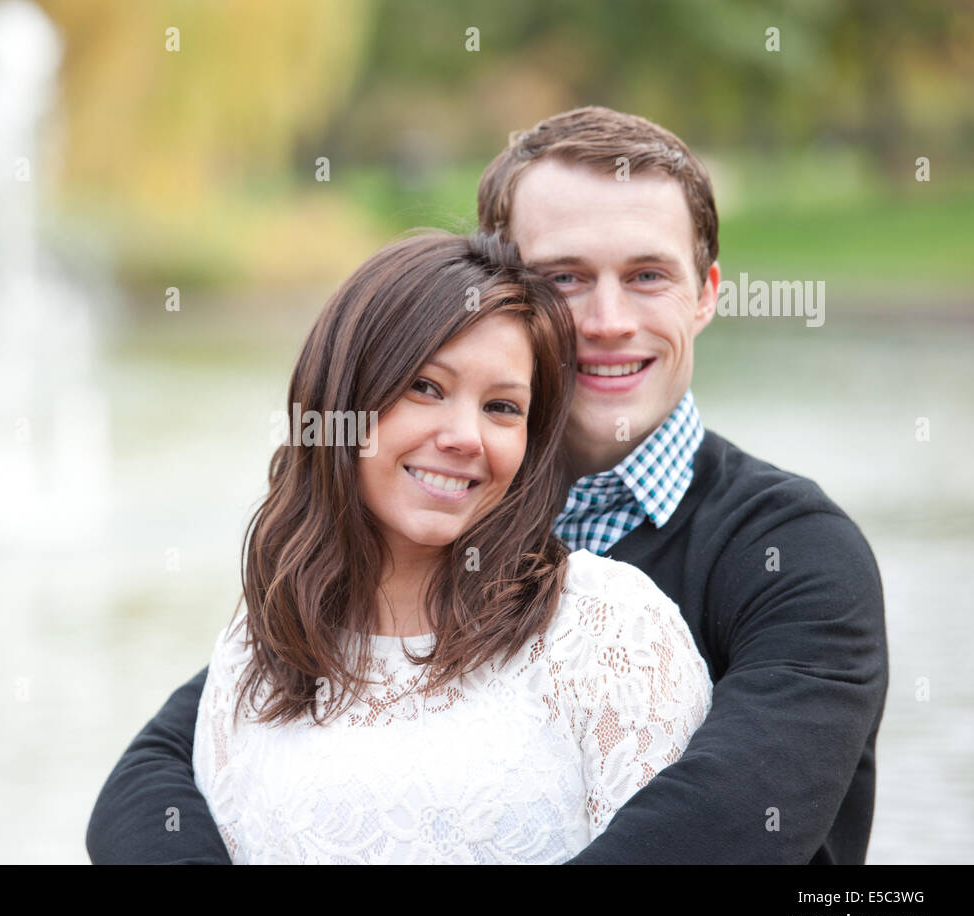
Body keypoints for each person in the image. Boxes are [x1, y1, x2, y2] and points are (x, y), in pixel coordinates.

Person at [86, 106, 889, 865]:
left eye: (648, 276)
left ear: (707, 293)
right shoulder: (422, 521)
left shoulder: (797, 553)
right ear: (495, 287)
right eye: (565, 278)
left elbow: (726, 821)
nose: (608, 319)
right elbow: (165, 764)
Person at [190, 231, 712, 863]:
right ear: (342, 397)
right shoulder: (255, 646)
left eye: (501, 407)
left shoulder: (609, 629)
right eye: (426, 388)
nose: (465, 437)